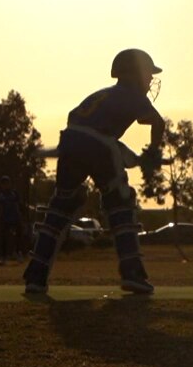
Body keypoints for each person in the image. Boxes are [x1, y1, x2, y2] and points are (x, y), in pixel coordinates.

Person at [23, 49, 165, 295]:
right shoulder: (132, 93)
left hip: (70, 140)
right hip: (99, 144)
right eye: (147, 74)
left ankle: (36, 275)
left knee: (61, 206)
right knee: (120, 202)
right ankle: (132, 273)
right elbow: (157, 122)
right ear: (134, 74)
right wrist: (153, 152)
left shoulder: (101, 95)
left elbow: (81, 125)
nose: (150, 80)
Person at [0, 175, 25, 265]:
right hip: (5, 218)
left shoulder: (14, 194)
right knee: (4, 238)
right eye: (3, 184)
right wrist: (0, 218)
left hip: (15, 218)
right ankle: (3, 257)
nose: (5, 186)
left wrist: (19, 218)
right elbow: (0, 207)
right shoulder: (1, 195)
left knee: (19, 236)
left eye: (7, 183)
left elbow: (17, 206)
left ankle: (19, 253)